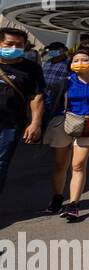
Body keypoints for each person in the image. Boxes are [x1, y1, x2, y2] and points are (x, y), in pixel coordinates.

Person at [43, 47, 89, 220]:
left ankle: (74, 204)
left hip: (88, 125)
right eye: (75, 60)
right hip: (63, 122)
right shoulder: (65, 82)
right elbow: (51, 102)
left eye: (84, 60)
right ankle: (57, 197)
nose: (79, 63)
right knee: (60, 165)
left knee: (78, 165)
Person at [0, 27, 45, 197]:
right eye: (9, 44)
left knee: (1, 164)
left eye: (18, 45)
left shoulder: (32, 68)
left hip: (10, 125)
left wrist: (35, 123)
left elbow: (37, 97)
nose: (13, 48)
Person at [41, 42, 70, 127]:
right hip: (43, 94)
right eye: (50, 50)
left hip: (57, 97)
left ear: (63, 50)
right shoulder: (47, 61)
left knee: (50, 118)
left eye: (55, 49)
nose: (51, 51)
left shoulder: (69, 64)